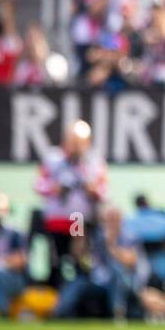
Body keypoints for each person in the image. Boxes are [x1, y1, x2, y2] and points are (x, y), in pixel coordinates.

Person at [33, 119, 107, 286]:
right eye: (73, 141)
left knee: (79, 260)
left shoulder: (94, 162)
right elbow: (38, 184)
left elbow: (103, 191)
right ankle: (55, 295)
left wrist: (92, 189)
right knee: (55, 261)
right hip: (56, 221)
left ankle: (77, 297)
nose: (75, 146)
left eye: (79, 142)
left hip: (78, 220)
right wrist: (54, 188)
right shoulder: (53, 159)